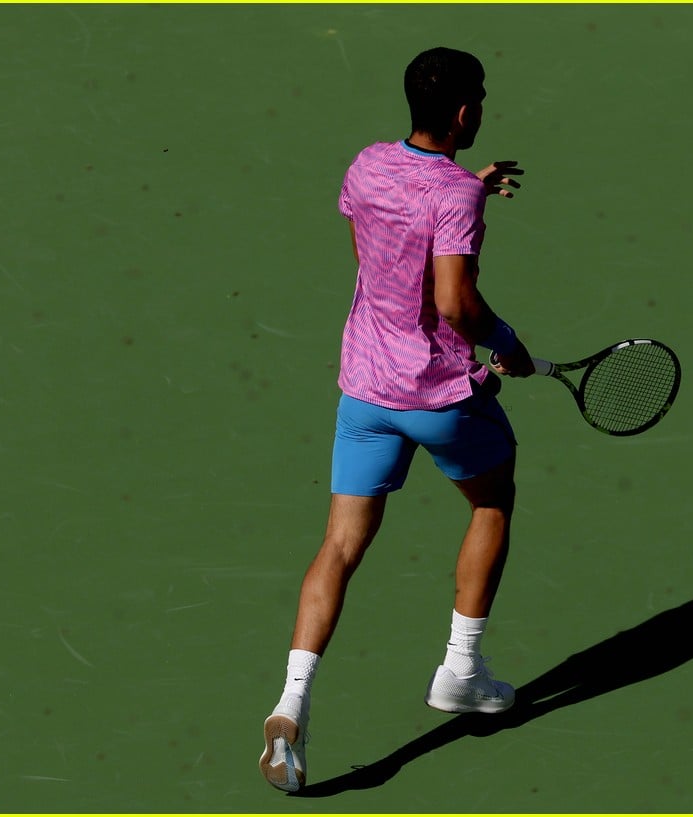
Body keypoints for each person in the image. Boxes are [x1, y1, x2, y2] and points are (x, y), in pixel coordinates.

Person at [258, 46, 535, 794]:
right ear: (463, 112)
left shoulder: (367, 165)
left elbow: (384, 249)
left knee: (341, 544)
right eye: (479, 98)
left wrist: (459, 190)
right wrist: (505, 344)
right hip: (438, 396)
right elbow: (452, 303)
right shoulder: (456, 198)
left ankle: (291, 702)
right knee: (493, 498)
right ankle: (462, 668)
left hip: (364, 391)